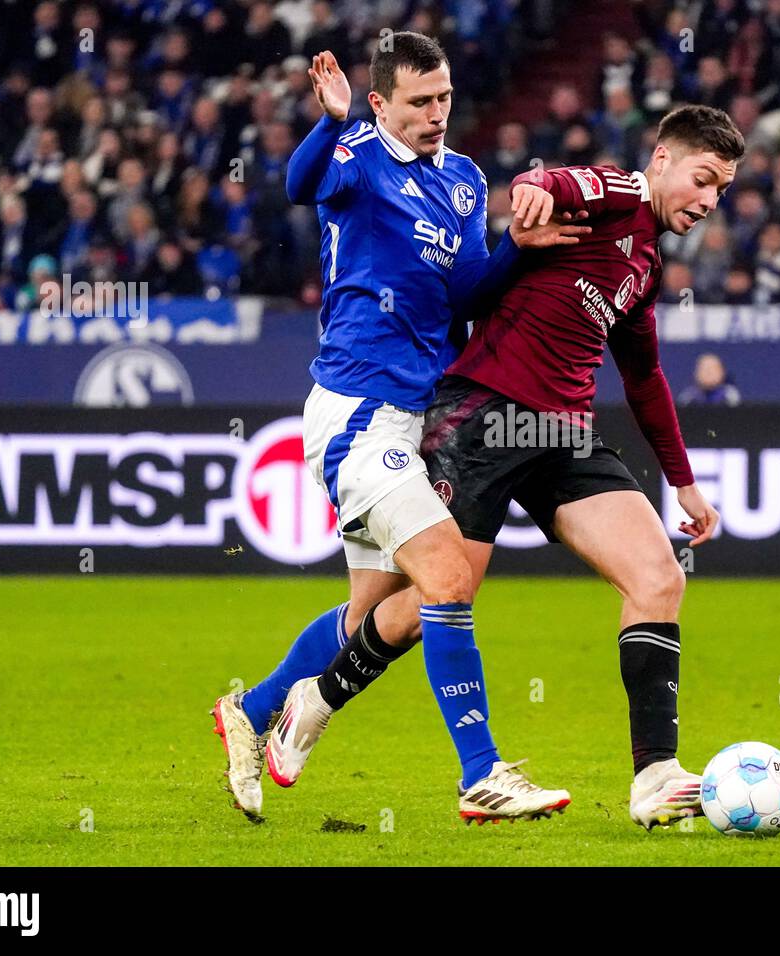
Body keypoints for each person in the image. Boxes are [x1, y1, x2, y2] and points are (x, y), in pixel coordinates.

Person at [267, 105, 740, 829]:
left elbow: (644, 377)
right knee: (428, 604)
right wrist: (534, 194)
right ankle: (317, 697)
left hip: (562, 433)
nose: (708, 201)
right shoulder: (617, 192)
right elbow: (546, 182)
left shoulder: (645, 262)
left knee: (658, 576)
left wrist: (683, 480)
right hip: (483, 414)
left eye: (723, 190)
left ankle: (655, 775)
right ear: (665, 160)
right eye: (703, 180)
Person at [211, 34, 585, 823]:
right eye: (419, 101)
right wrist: (329, 121)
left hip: (415, 415)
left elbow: (464, 295)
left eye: (444, 98)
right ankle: (481, 773)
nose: (436, 114)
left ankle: (251, 713)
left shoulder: (461, 180)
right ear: (381, 103)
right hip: (356, 410)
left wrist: (516, 247)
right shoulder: (355, 153)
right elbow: (298, 181)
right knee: (450, 576)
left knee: (375, 616)